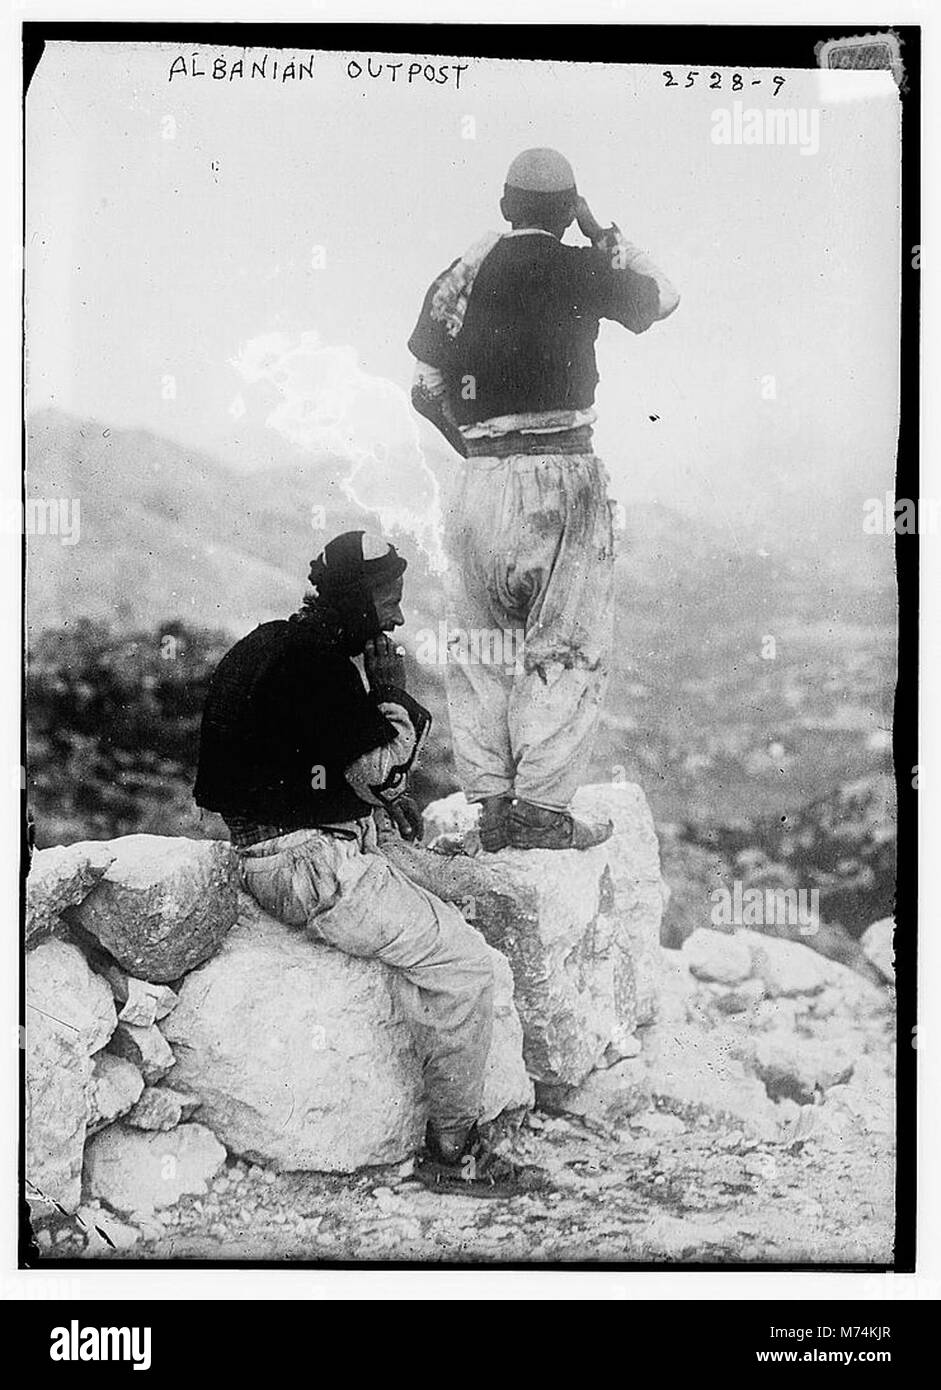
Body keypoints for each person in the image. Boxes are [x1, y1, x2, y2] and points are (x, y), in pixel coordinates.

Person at [192, 530, 537, 1193]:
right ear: (354, 601)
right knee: (462, 965)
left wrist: (376, 804)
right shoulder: (320, 663)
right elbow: (375, 773)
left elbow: (314, 765)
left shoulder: (277, 643)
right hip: (308, 866)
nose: (398, 619)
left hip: (281, 849)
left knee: (443, 915)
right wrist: (390, 694)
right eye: (388, 602)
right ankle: (453, 1154)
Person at [408, 147, 680, 852]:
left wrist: (477, 448)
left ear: (504, 207)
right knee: (565, 644)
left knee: (481, 645)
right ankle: (539, 813)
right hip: (562, 475)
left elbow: (423, 383)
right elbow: (661, 297)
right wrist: (601, 233)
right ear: (566, 211)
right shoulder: (583, 266)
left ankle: (493, 808)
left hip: (478, 482)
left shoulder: (461, 273)